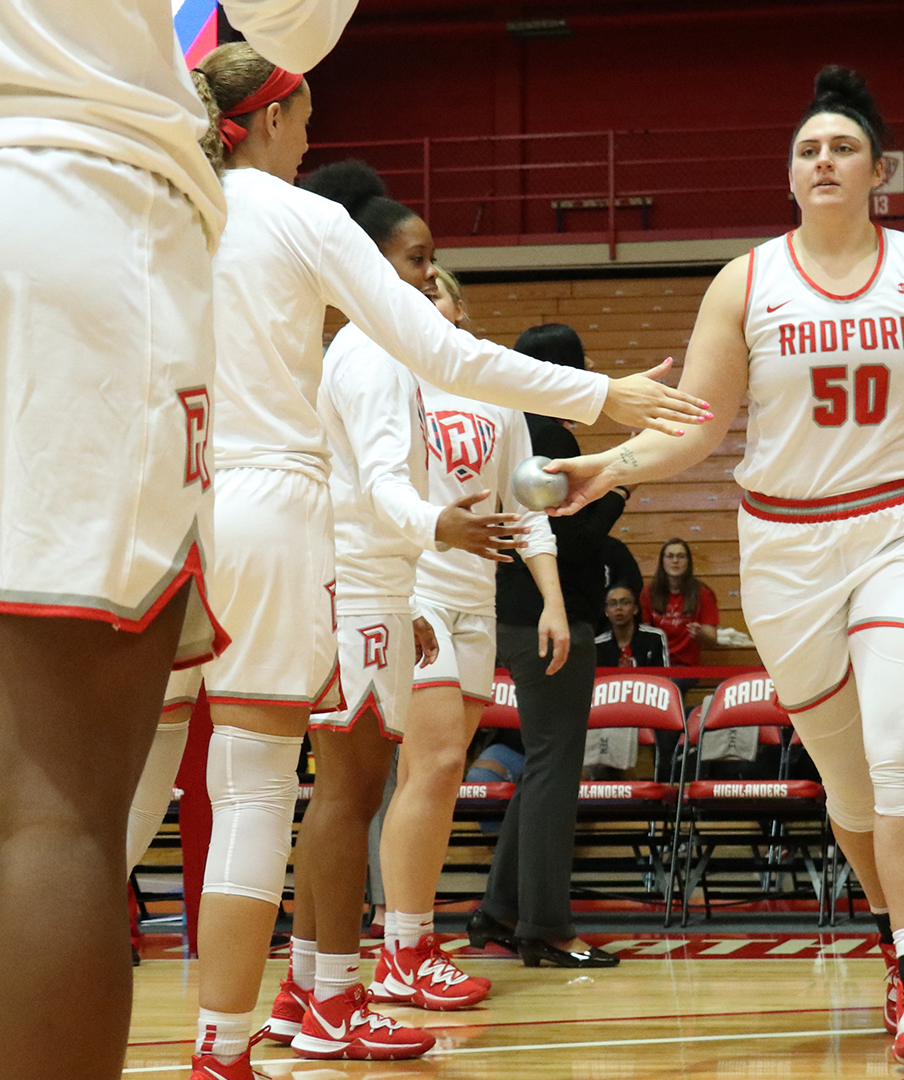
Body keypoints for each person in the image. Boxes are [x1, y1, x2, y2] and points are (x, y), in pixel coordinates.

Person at [119, 47, 706, 1078]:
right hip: (275, 506)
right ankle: (237, 1040)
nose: (312, 139)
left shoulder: (162, 206)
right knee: (262, 786)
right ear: (265, 121)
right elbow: (442, 352)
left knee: (129, 792)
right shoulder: (300, 218)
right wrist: (595, 392)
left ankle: (247, 1004)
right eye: (304, 119)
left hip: (162, 502)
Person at [542, 66, 904, 1074]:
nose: (824, 159)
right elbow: (695, 425)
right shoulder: (748, 280)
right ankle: (901, 937)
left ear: (879, 173)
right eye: (809, 149)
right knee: (852, 792)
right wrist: (606, 462)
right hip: (787, 549)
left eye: (842, 148)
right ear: (790, 175)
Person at [0, 5, 352, 1076]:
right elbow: (295, 12)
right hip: (73, 195)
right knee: (51, 812)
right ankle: (273, 1017)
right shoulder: (296, 219)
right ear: (275, 117)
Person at [272, 212, 536, 1052]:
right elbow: (383, 488)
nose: (432, 277)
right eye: (418, 260)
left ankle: (302, 991)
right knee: (346, 797)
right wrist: (439, 532)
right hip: (371, 581)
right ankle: (341, 998)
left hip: (380, 583)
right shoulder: (378, 353)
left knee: (333, 796)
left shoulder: (375, 356)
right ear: (369, 261)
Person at [467, 323, 634, 969]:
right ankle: (547, 926)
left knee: (541, 766)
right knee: (554, 770)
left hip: (509, 615)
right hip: (549, 619)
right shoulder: (554, 437)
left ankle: (501, 910)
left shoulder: (507, 428)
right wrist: (618, 490)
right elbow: (573, 541)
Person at [644, 537, 721, 679]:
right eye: (670, 556)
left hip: (686, 668)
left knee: (668, 689)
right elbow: (642, 635)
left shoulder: (703, 593)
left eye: (680, 556)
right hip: (656, 664)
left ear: (688, 561)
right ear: (662, 561)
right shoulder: (648, 593)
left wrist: (700, 634)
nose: (675, 561)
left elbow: (712, 639)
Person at [597, 584, 669, 667]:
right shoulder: (598, 645)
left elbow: (664, 676)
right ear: (606, 611)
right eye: (612, 604)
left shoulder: (655, 637)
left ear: (635, 609)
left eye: (625, 603)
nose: (618, 608)